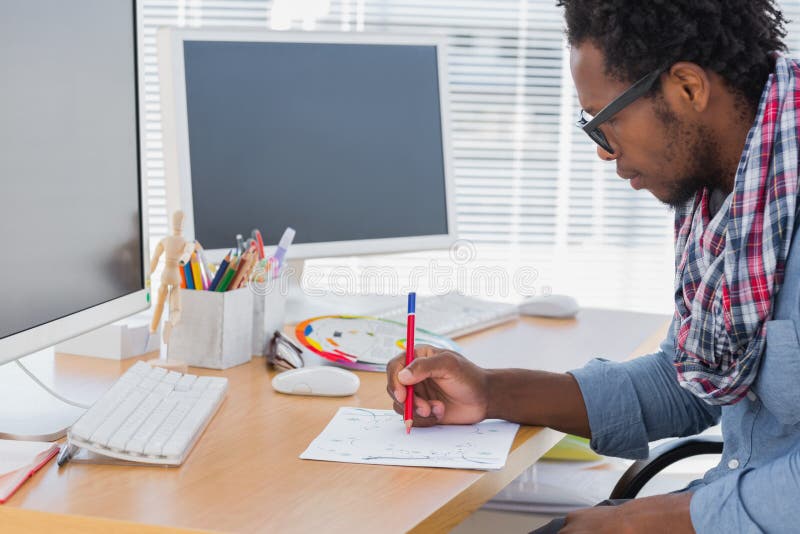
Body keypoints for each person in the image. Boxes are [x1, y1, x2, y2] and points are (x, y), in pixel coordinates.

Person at [385, 1, 800, 532]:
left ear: (688, 89)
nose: (604, 152)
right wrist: (489, 392)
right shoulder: (735, 198)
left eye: (606, 122)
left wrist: (648, 521)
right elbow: (689, 380)